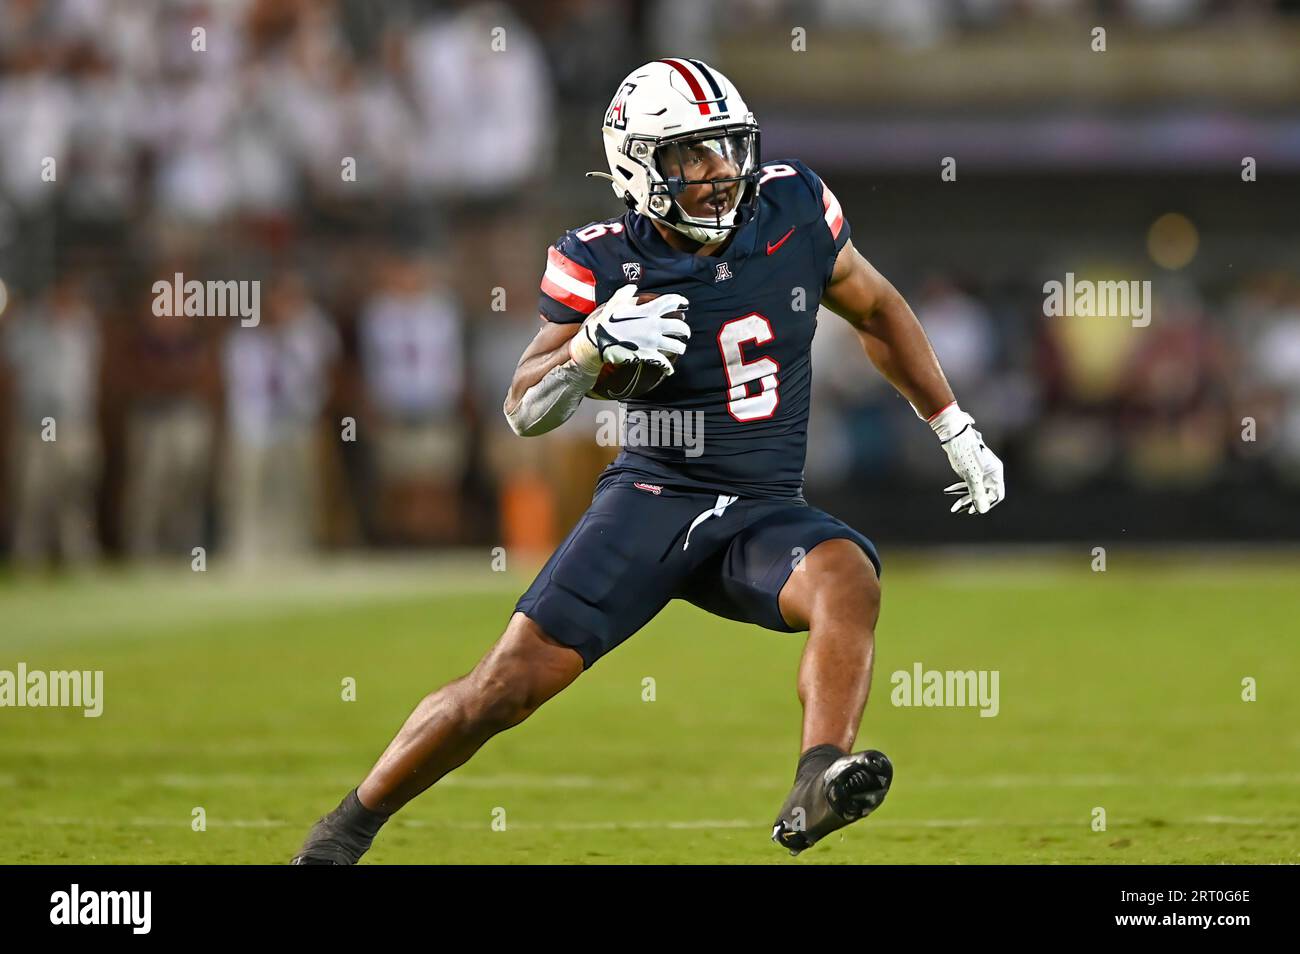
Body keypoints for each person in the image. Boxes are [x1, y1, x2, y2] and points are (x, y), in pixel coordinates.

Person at [293, 58, 1005, 864]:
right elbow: (524, 410)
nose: (718, 174)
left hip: (763, 509)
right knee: (504, 690)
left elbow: (876, 305)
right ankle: (346, 829)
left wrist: (951, 424)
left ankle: (818, 776)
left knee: (850, 579)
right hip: (652, 500)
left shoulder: (794, 207)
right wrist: (587, 356)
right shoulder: (600, 260)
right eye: (692, 156)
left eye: (728, 148)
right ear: (639, 164)